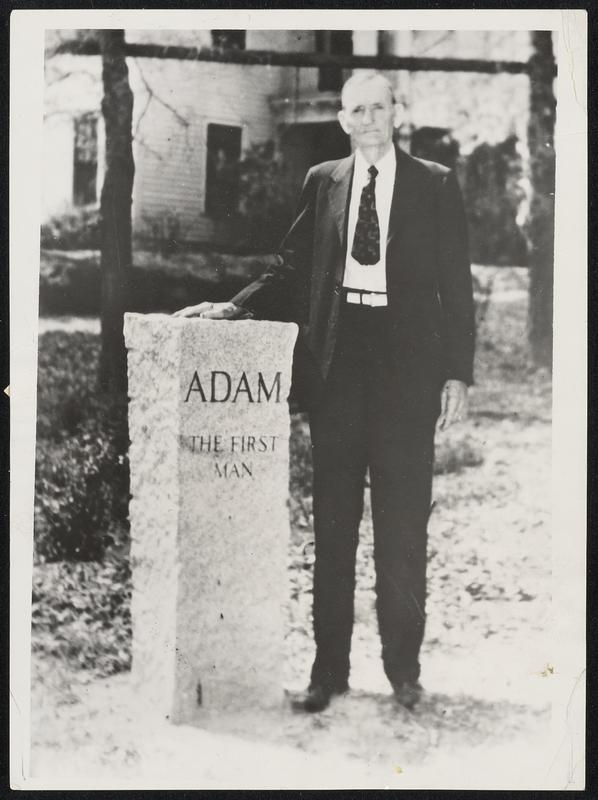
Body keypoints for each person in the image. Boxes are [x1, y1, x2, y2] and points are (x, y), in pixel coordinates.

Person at [174, 72, 475, 713]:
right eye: (356, 110)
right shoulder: (324, 181)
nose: (368, 119)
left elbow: (457, 283)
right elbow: (291, 266)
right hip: (336, 369)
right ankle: (328, 671)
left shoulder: (435, 183)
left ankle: (403, 671)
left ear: (398, 112)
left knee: (401, 530)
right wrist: (234, 308)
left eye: (379, 107)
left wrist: (457, 372)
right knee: (334, 529)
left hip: (406, 374)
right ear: (342, 120)